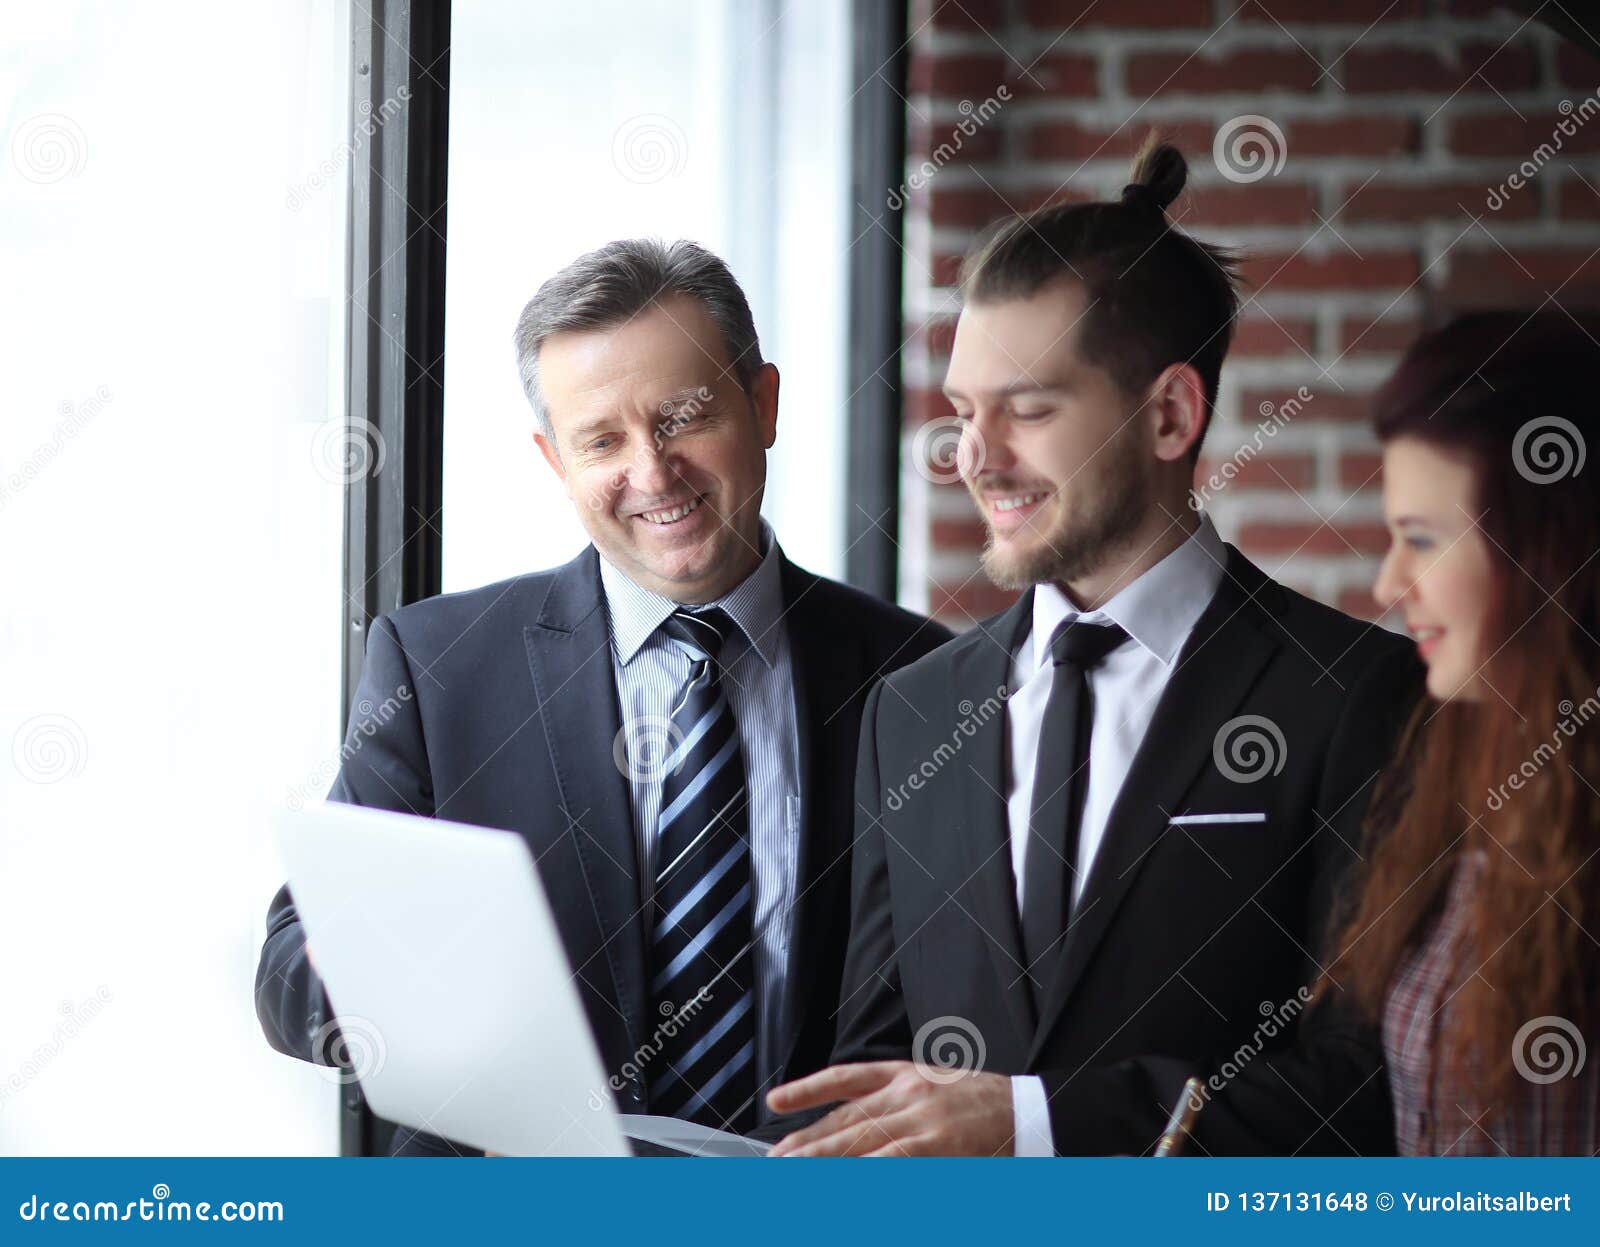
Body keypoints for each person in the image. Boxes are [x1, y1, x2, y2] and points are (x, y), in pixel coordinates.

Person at [766, 136, 1422, 1156]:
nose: (975, 458)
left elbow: (1362, 1086)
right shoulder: (914, 709)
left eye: (1027, 409)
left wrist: (1034, 1122)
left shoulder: (1357, 694)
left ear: (1170, 414)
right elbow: (879, 1075)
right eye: (963, 412)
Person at [254, 239, 952, 1155]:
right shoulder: (439, 669)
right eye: (602, 441)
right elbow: (290, 962)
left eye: (683, 417)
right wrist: (368, 983)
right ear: (555, 459)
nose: (653, 473)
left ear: (764, 404)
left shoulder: (924, 677)